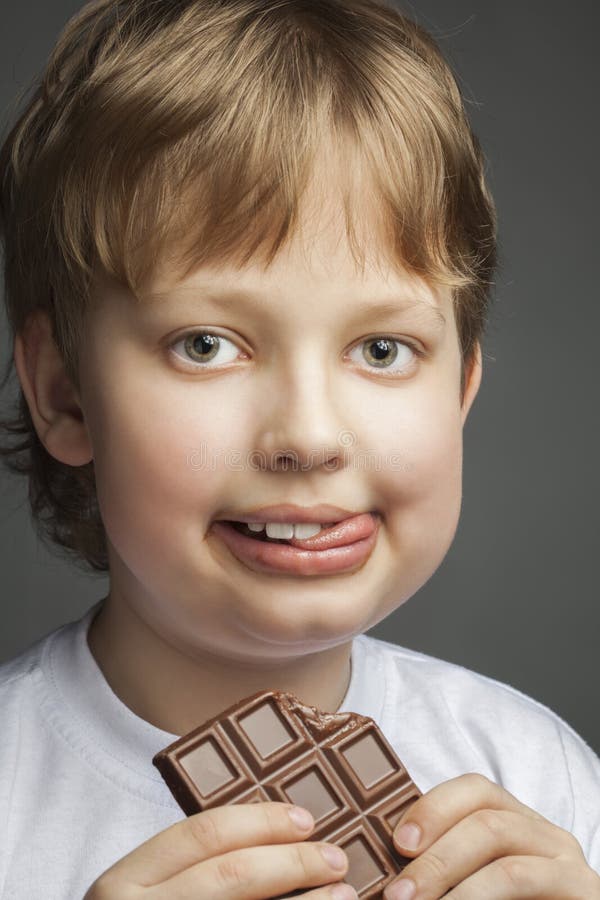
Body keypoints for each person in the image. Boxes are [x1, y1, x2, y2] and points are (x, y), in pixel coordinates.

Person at [0, 0, 599, 897]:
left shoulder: (540, 777)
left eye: (382, 350)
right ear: (64, 393)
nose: (310, 438)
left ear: (461, 390)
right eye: (206, 344)